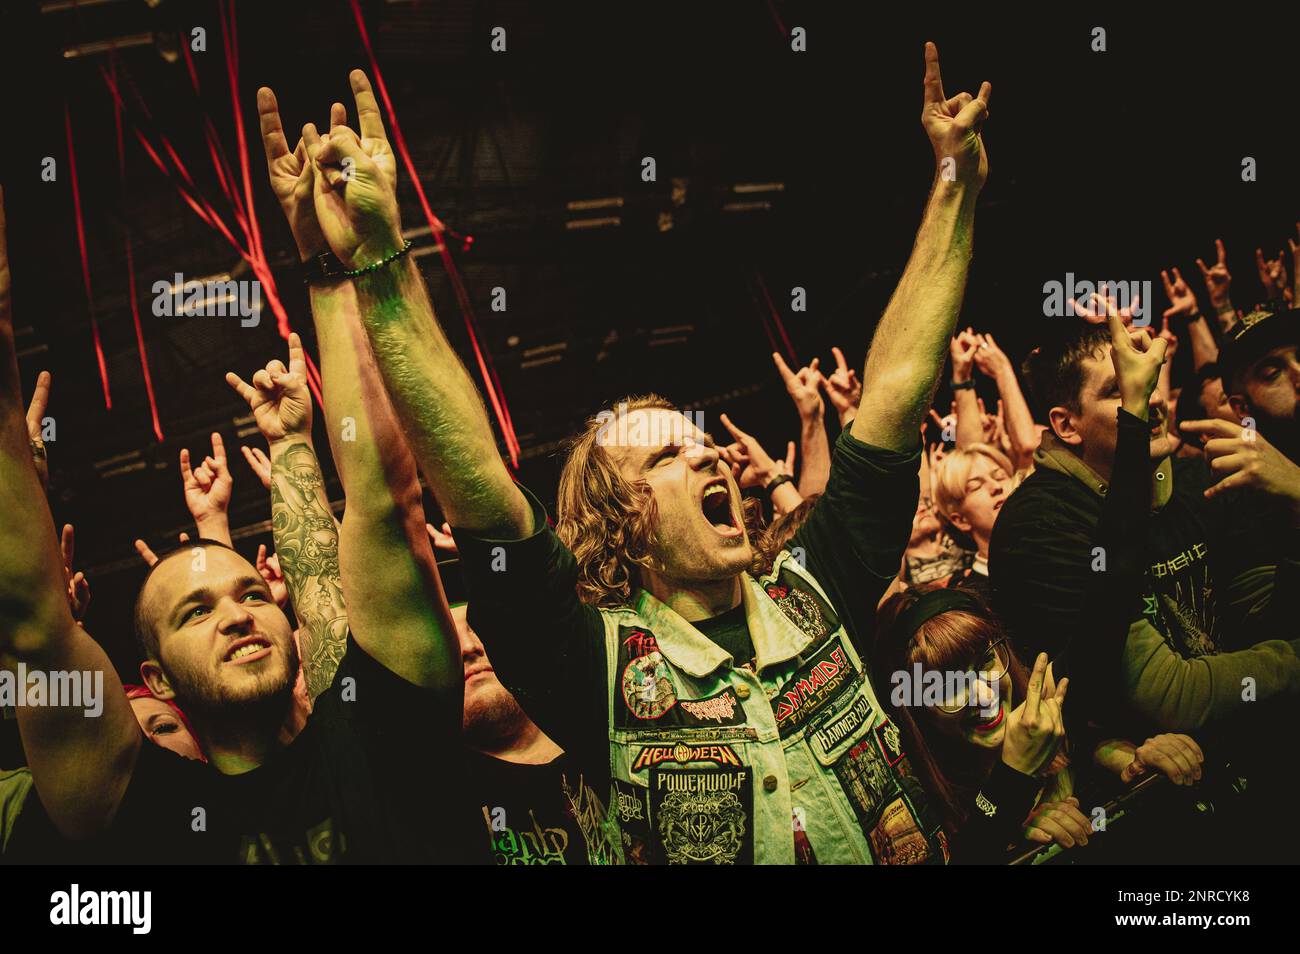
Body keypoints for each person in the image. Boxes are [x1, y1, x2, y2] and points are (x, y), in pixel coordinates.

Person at [324, 44, 992, 863]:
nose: (709, 458)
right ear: (624, 523)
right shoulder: (592, 667)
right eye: (667, 457)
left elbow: (894, 385)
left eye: (702, 442)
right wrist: (381, 260)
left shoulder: (822, 581)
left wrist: (956, 182)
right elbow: (478, 487)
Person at [990, 301, 1300, 737]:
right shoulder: (1041, 523)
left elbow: (1266, 618)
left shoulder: (1199, 481)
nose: (1151, 400)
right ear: (1067, 424)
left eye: (1149, 384)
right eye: (1121, 391)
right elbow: (1173, 700)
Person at [455, 604, 621, 864]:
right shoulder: (433, 793)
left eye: (478, 627)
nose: (467, 647)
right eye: (446, 639)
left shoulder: (608, 734)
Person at [932, 443, 1016, 590]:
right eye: (975, 486)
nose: (996, 486)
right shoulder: (971, 596)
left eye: (1000, 476)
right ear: (961, 520)